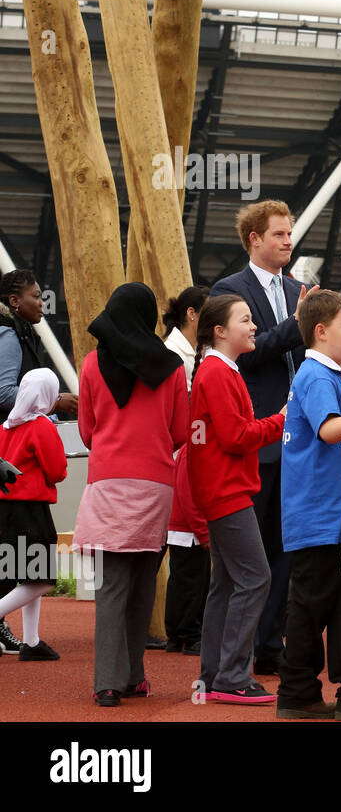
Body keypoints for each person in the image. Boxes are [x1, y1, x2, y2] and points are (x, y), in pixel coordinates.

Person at [210, 200, 316, 676]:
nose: (287, 241)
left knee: (284, 549)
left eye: (289, 234)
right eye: (278, 234)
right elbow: (248, 357)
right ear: (254, 239)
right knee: (249, 557)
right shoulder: (229, 290)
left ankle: (271, 644)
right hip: (256, 437)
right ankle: (240, 652)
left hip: (300, 436)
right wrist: (294, 326)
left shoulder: (300, 289)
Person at [72, 283, 188, 707]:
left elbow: (86, 431)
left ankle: (107, 682)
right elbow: (180, 432)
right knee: (144, 584)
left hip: (107, 484)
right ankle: (135, 675)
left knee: (111, 589)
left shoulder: (90, 365)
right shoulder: (172, 367)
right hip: (156, 485)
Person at [276, 290, 341, 721]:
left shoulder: (327, 375)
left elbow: (333, 438)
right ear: (321, 333)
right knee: (315, 607)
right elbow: (327, 431)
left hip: (335, 523)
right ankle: (304, 693)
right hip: (321, 522)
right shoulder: (318, 376)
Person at [189, 295, 286, 704]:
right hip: (227, 490)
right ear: (220, 330)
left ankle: (216, 673)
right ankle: (230, 676)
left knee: (226, 584)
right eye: (245, 321)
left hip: (220, 489)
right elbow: (236, 436)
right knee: (256, 577)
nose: (253, 328)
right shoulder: (218, 372)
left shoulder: (215, 369)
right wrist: (283, 418)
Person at [0, 369, 68, 660]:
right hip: (30, 511)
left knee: (28, 577)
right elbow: (58, 471)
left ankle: (32, 641)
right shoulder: (41, 426)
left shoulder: (5, 426)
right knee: (41, 579)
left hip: (5, 510)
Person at [160, 286, 209, 655]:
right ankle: (184, 632)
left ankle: (180, 631)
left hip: (182, 457)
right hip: (177, 460)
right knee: (189, 565)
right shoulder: (173, 356)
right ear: (192, 314)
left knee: (184, 565)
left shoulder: (192, 353)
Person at [0, 269, 77, 422]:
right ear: (14, 301)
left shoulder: (19, 332)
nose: (42, 303)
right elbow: (4, 392)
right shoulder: (9, 333)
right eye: (36, 297)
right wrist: (55, 401)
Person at [162, 286, 209, 390]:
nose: (213, 320)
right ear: (191, 313)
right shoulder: (172, 352)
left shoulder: (203, 350)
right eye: (208, 314)